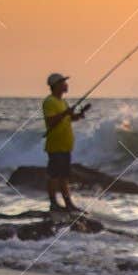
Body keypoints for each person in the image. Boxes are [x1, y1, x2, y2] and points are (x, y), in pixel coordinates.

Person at [41, 72, 91, 213]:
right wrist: (65, 113)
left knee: (64, 176)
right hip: (55, 145)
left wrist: (78, 115)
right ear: (56, 85)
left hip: (65, 145)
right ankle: (53, 204)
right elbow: (51, 121)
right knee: (54, 176)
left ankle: (68, 204)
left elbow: (68, 118)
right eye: (63, 82)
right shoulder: (49, 101)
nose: (66, 85)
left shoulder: (63, 102)